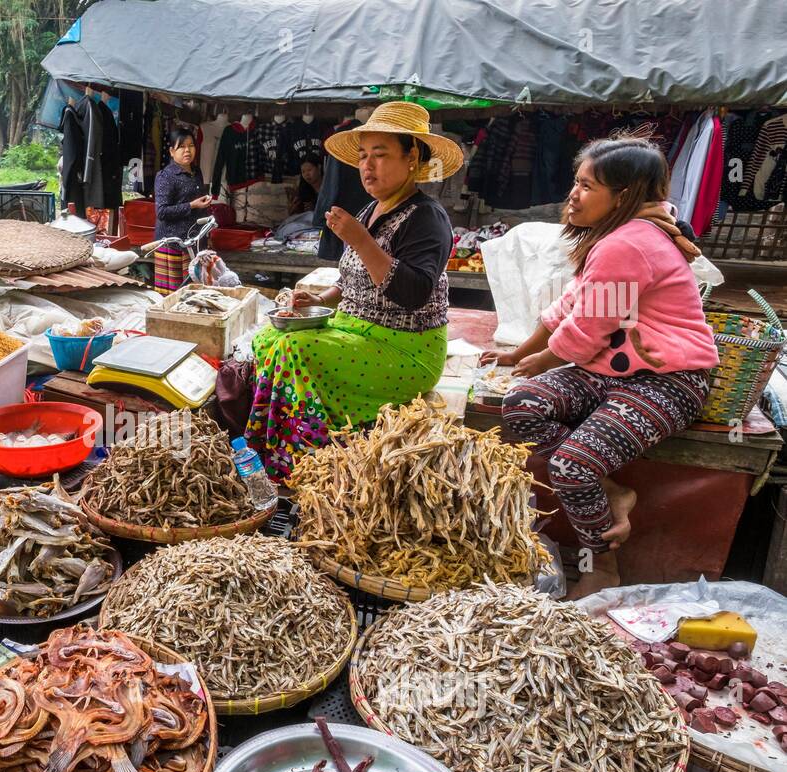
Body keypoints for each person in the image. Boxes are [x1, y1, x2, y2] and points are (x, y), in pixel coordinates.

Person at [486, 135, 719, 598]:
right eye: (577, 182)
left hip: (668, 380)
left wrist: (542, 359)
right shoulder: (617, 236)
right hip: (607, 369)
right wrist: (520, 353)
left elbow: (587, 330)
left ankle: (603, 566)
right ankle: (611, 490)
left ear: (624, 196)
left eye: (588, 186)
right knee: (520, 406)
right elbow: (569, 308)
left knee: (573, 466)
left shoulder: (629, 244)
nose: (574, 194)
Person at [246, 102, 462, 478]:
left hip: (405, 348)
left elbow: (413, 293)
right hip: (356, 330)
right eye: (363, 156)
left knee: (294, 349)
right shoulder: (370, 210)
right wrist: (319, 300)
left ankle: (304, 460)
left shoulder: (427, 217)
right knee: (267, 339)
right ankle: (289, 447)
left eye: (380, 155)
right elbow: (350, 282)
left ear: (412, 158)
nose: (367, 166)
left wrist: (361, 241)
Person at [153, 125, 212, 292]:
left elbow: (195, 200)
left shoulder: (196, 171)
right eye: (182, 147)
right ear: (172, 151)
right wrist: (192, 205)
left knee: (194, 289)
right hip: (173, 242)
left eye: (191, 146)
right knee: (175, 293)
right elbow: (162, 212)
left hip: (194, 240)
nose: (187, 151)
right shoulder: (166, 176)